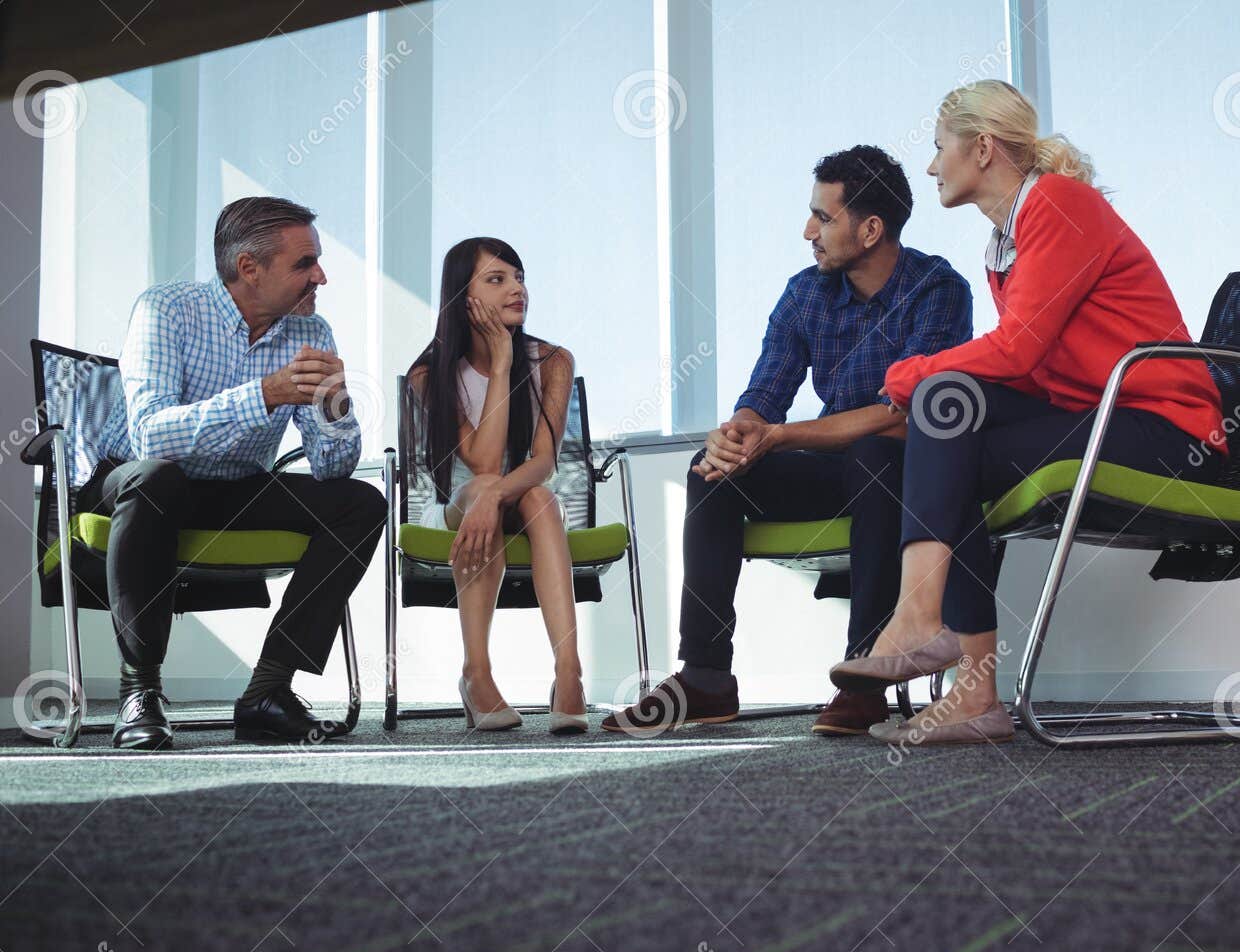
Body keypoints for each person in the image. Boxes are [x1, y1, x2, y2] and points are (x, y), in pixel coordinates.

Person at [828, 81, 1229, 745]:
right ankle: (974, 692)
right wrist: (930, 392)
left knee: (939, 395)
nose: (930, 167)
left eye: (938, 150)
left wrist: (911, 374)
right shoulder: (1004, 247)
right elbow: (1038, 366)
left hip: (1166, 430)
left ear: (982, 148)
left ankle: (922, 621)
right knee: (948, 416)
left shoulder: (1060, 205)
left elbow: (1018, 350)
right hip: (1101, 414)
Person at [602, 145, 972, 737]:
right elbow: (764, 396)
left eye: (823, 218)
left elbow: (903, 417)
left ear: (871, 229)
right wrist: (739, 435)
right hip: (835, 469)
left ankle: (865, 674)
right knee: (711, 469)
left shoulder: (938, 289)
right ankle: (705, 677)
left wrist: (778, 435)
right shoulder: (805, 293)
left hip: (905, 478)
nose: (809, 232)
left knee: (878, 455)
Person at [85, 196, 387, 749]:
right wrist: (266, 394)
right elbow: (152, 435)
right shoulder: (166, 309)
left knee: (362, 503)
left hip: (236, 488)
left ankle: (268, 691)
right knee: (158, 478)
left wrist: (335, 406)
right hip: (134, 483)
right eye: (305, 264)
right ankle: (140, 691)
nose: (321, 275)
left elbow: (332, 467)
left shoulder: (310, 333)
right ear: (250, 268)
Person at [409, 237, 586, 735]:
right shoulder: (431, 373)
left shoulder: (553, 360)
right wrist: (503, 364)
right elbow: (482, 462)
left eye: (519, 277)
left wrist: (494, 495)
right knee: (488, 480)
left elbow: (543, 462)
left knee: (540, 496)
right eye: (497, 279)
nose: (517, 289)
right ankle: (477, 673)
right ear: (462, 298)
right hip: (456, 505)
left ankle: (568, 670)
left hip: (526, 499)